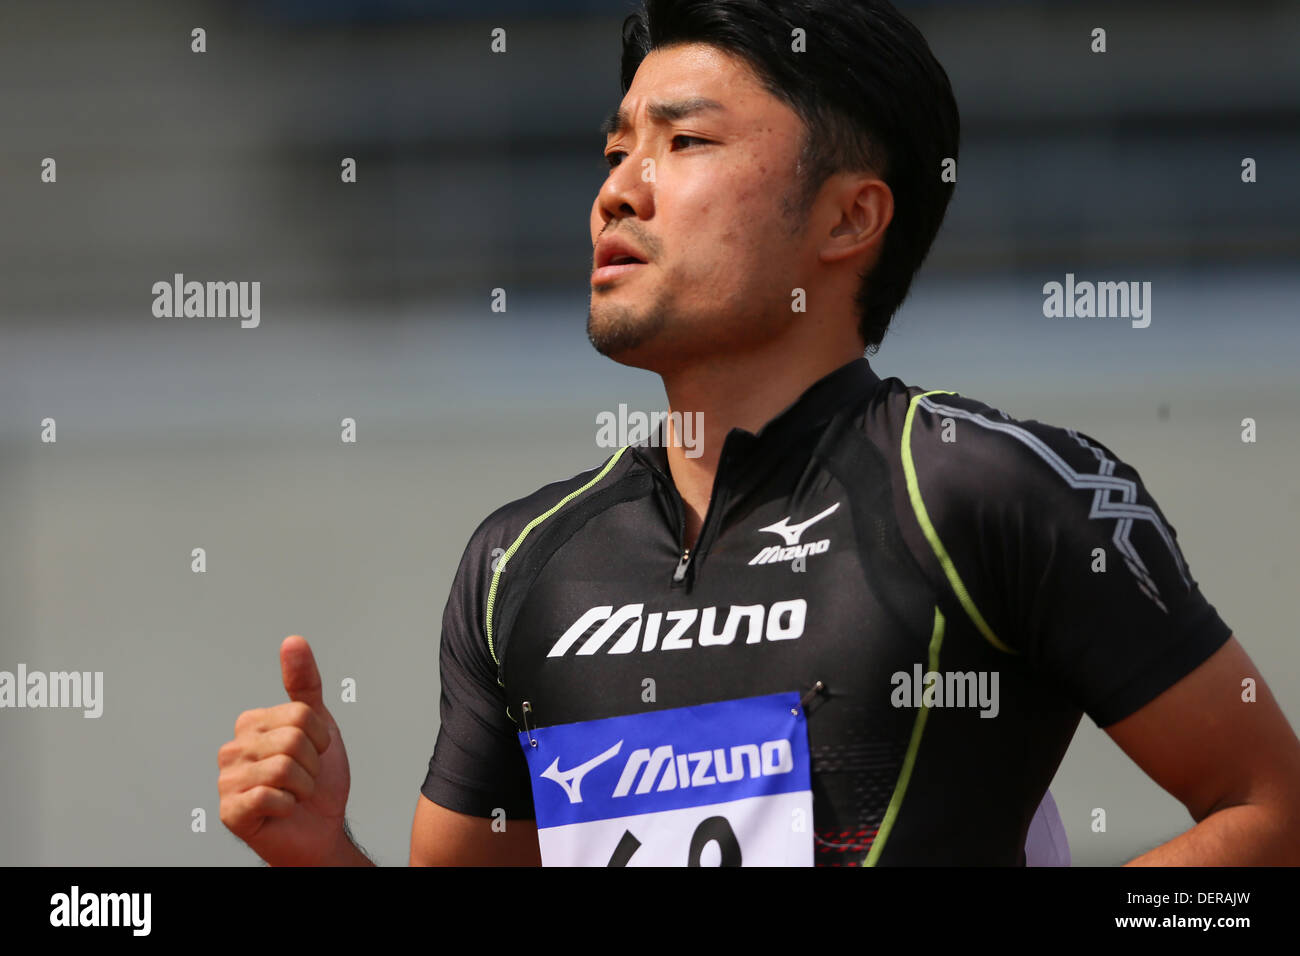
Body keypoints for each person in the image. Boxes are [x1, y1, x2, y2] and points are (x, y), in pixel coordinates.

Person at [217, 0, 1300, 866]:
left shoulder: (988, 489)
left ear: (848, 217)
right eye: (613, 150)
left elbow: (1271, 811)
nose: (615, 193)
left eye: (683, 140)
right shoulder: (519, 562)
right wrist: (323, 855)